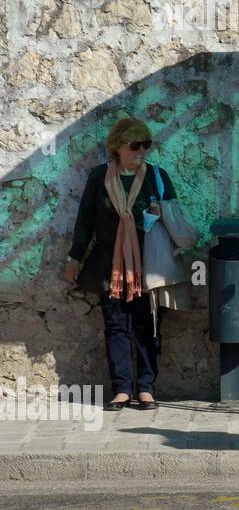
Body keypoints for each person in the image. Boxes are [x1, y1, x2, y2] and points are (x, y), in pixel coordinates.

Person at [64, 118, 178, 411]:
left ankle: (147, 388)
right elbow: (85, 221)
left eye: (146, 145)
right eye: (135, 145)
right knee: (116, 325)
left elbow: (176, 215)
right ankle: (122, 389)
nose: (142, 150)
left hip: (148, 264)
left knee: (148, 325)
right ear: (117, 148)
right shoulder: (99, 177)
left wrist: (159, 211)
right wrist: (74, 257)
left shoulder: (157, 176)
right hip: (109, 264)